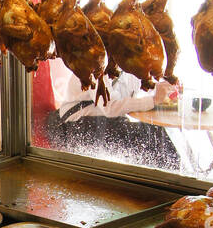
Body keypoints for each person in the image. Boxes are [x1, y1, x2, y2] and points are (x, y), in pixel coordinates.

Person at [43, 59, 181, 170]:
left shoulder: (129, 67)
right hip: (74, 128)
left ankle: (170, 180)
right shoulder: (95, 63)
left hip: (100, 123)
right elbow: (110, 107)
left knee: (155, 134)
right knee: (153, 137)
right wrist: (154, 100)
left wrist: (161, 89)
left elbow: (129, 98)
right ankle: (171, 184)